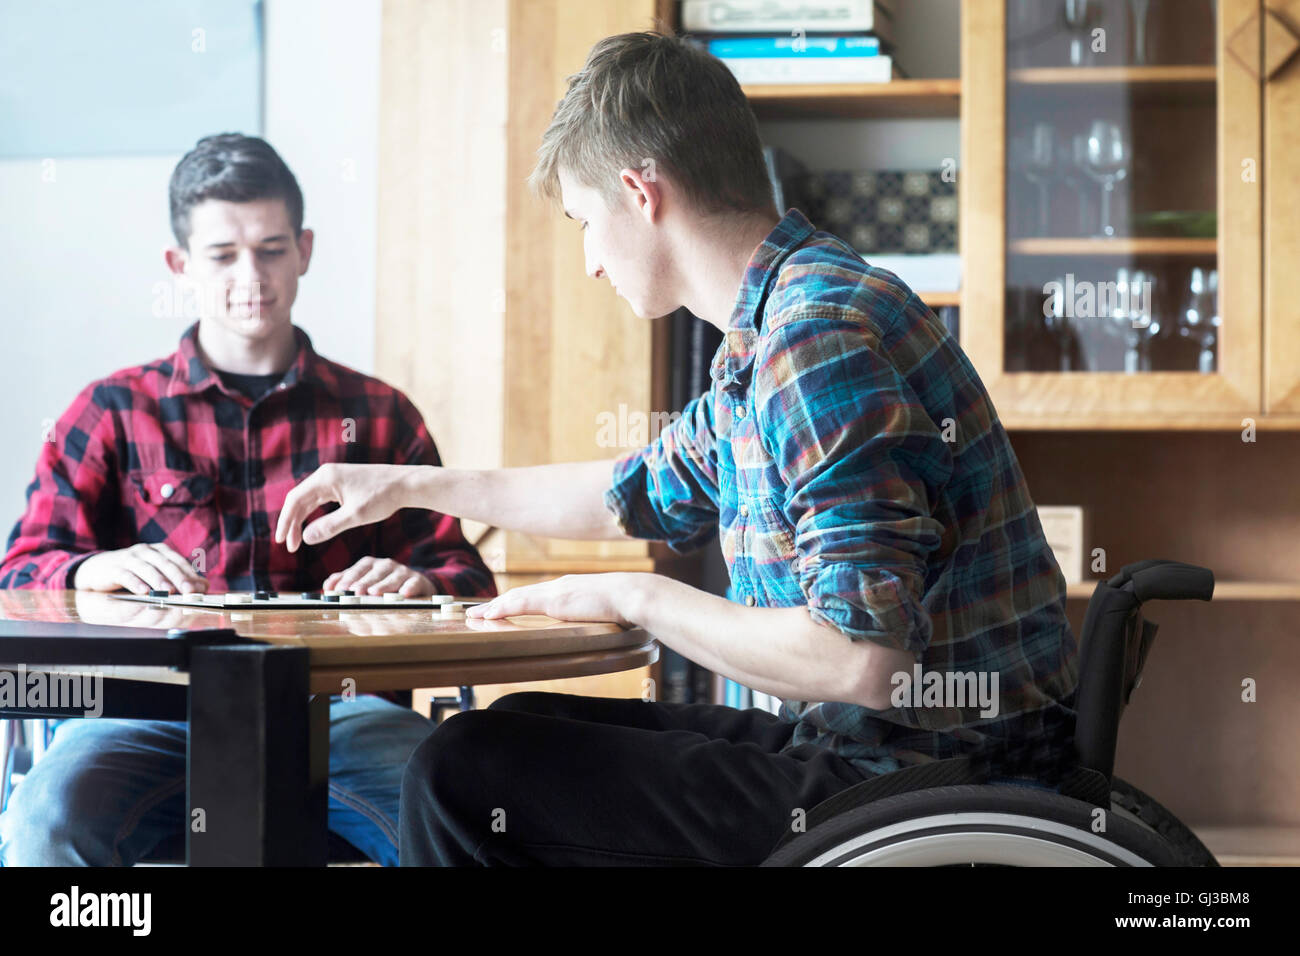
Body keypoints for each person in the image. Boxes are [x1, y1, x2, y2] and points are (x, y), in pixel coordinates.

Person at [276, 33, 1079, 867]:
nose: (590, 263)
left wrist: (637, 597)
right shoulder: (766, 336)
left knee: (457, 770)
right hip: (882, 752)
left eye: (586, 223)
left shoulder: (814, 339)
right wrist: (408, 485)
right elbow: (626, 493)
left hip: (932, 779)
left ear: (640, 192)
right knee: (508, 729)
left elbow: (863, 660)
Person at [0, 134, 495, 866]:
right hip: (145, 713)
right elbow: (18, 576)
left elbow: (468, 579)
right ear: (180, 265)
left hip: (342, 715)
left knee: (467, 825)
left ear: (305, 249)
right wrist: (85, 571)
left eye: (270, 249)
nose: (250, 276)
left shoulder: (380, 413)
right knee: (46, 822)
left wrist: (422, 582)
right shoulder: (109, 411)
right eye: (223, 255)